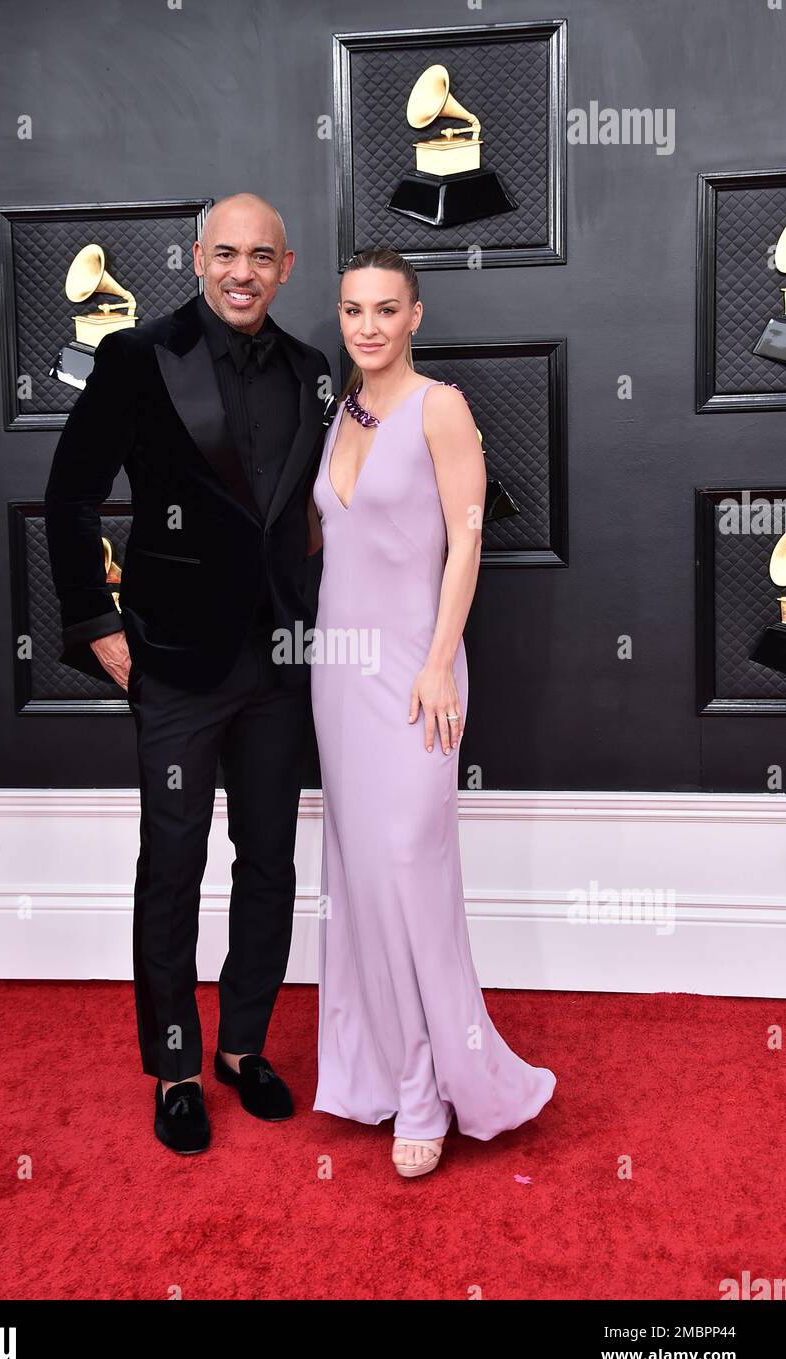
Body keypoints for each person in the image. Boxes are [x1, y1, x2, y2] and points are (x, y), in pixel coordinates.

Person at [44, 193, 333, 1155]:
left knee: (270, 864)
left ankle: (243, 1049)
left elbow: (320, 515)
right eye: (225, 254)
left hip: (280, 661)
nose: (242, 272)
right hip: (171, 663)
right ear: (197, 257)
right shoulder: (135, 357)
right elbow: (70, 492)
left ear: (285, 267)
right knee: (171, 867)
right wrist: (95, 623)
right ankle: (175, 1067)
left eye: (262, 256)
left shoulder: (311, 370)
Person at [309, 247, 557, 1178]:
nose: (366, 326)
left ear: (415, 315)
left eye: (384, 309)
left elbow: (466, 541)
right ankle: (390, 1072)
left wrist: (440, 662)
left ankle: (435, 1087)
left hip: (416, 674)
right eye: (351, 310)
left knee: (412, 871)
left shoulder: (439, 407)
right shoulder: (342, 413)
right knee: (364, 883)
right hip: (336, 677)